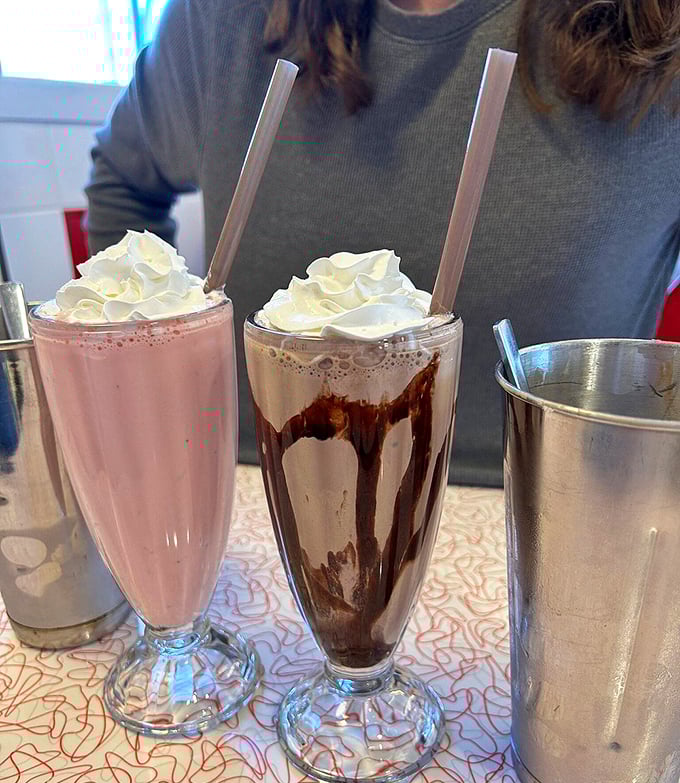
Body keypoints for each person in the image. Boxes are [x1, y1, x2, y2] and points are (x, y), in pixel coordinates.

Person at [86, 0, 680, 487]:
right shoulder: (221, 21)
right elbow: (124, 180)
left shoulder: (660, 46)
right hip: (244, 504)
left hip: (555, 533)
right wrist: (147, 399)